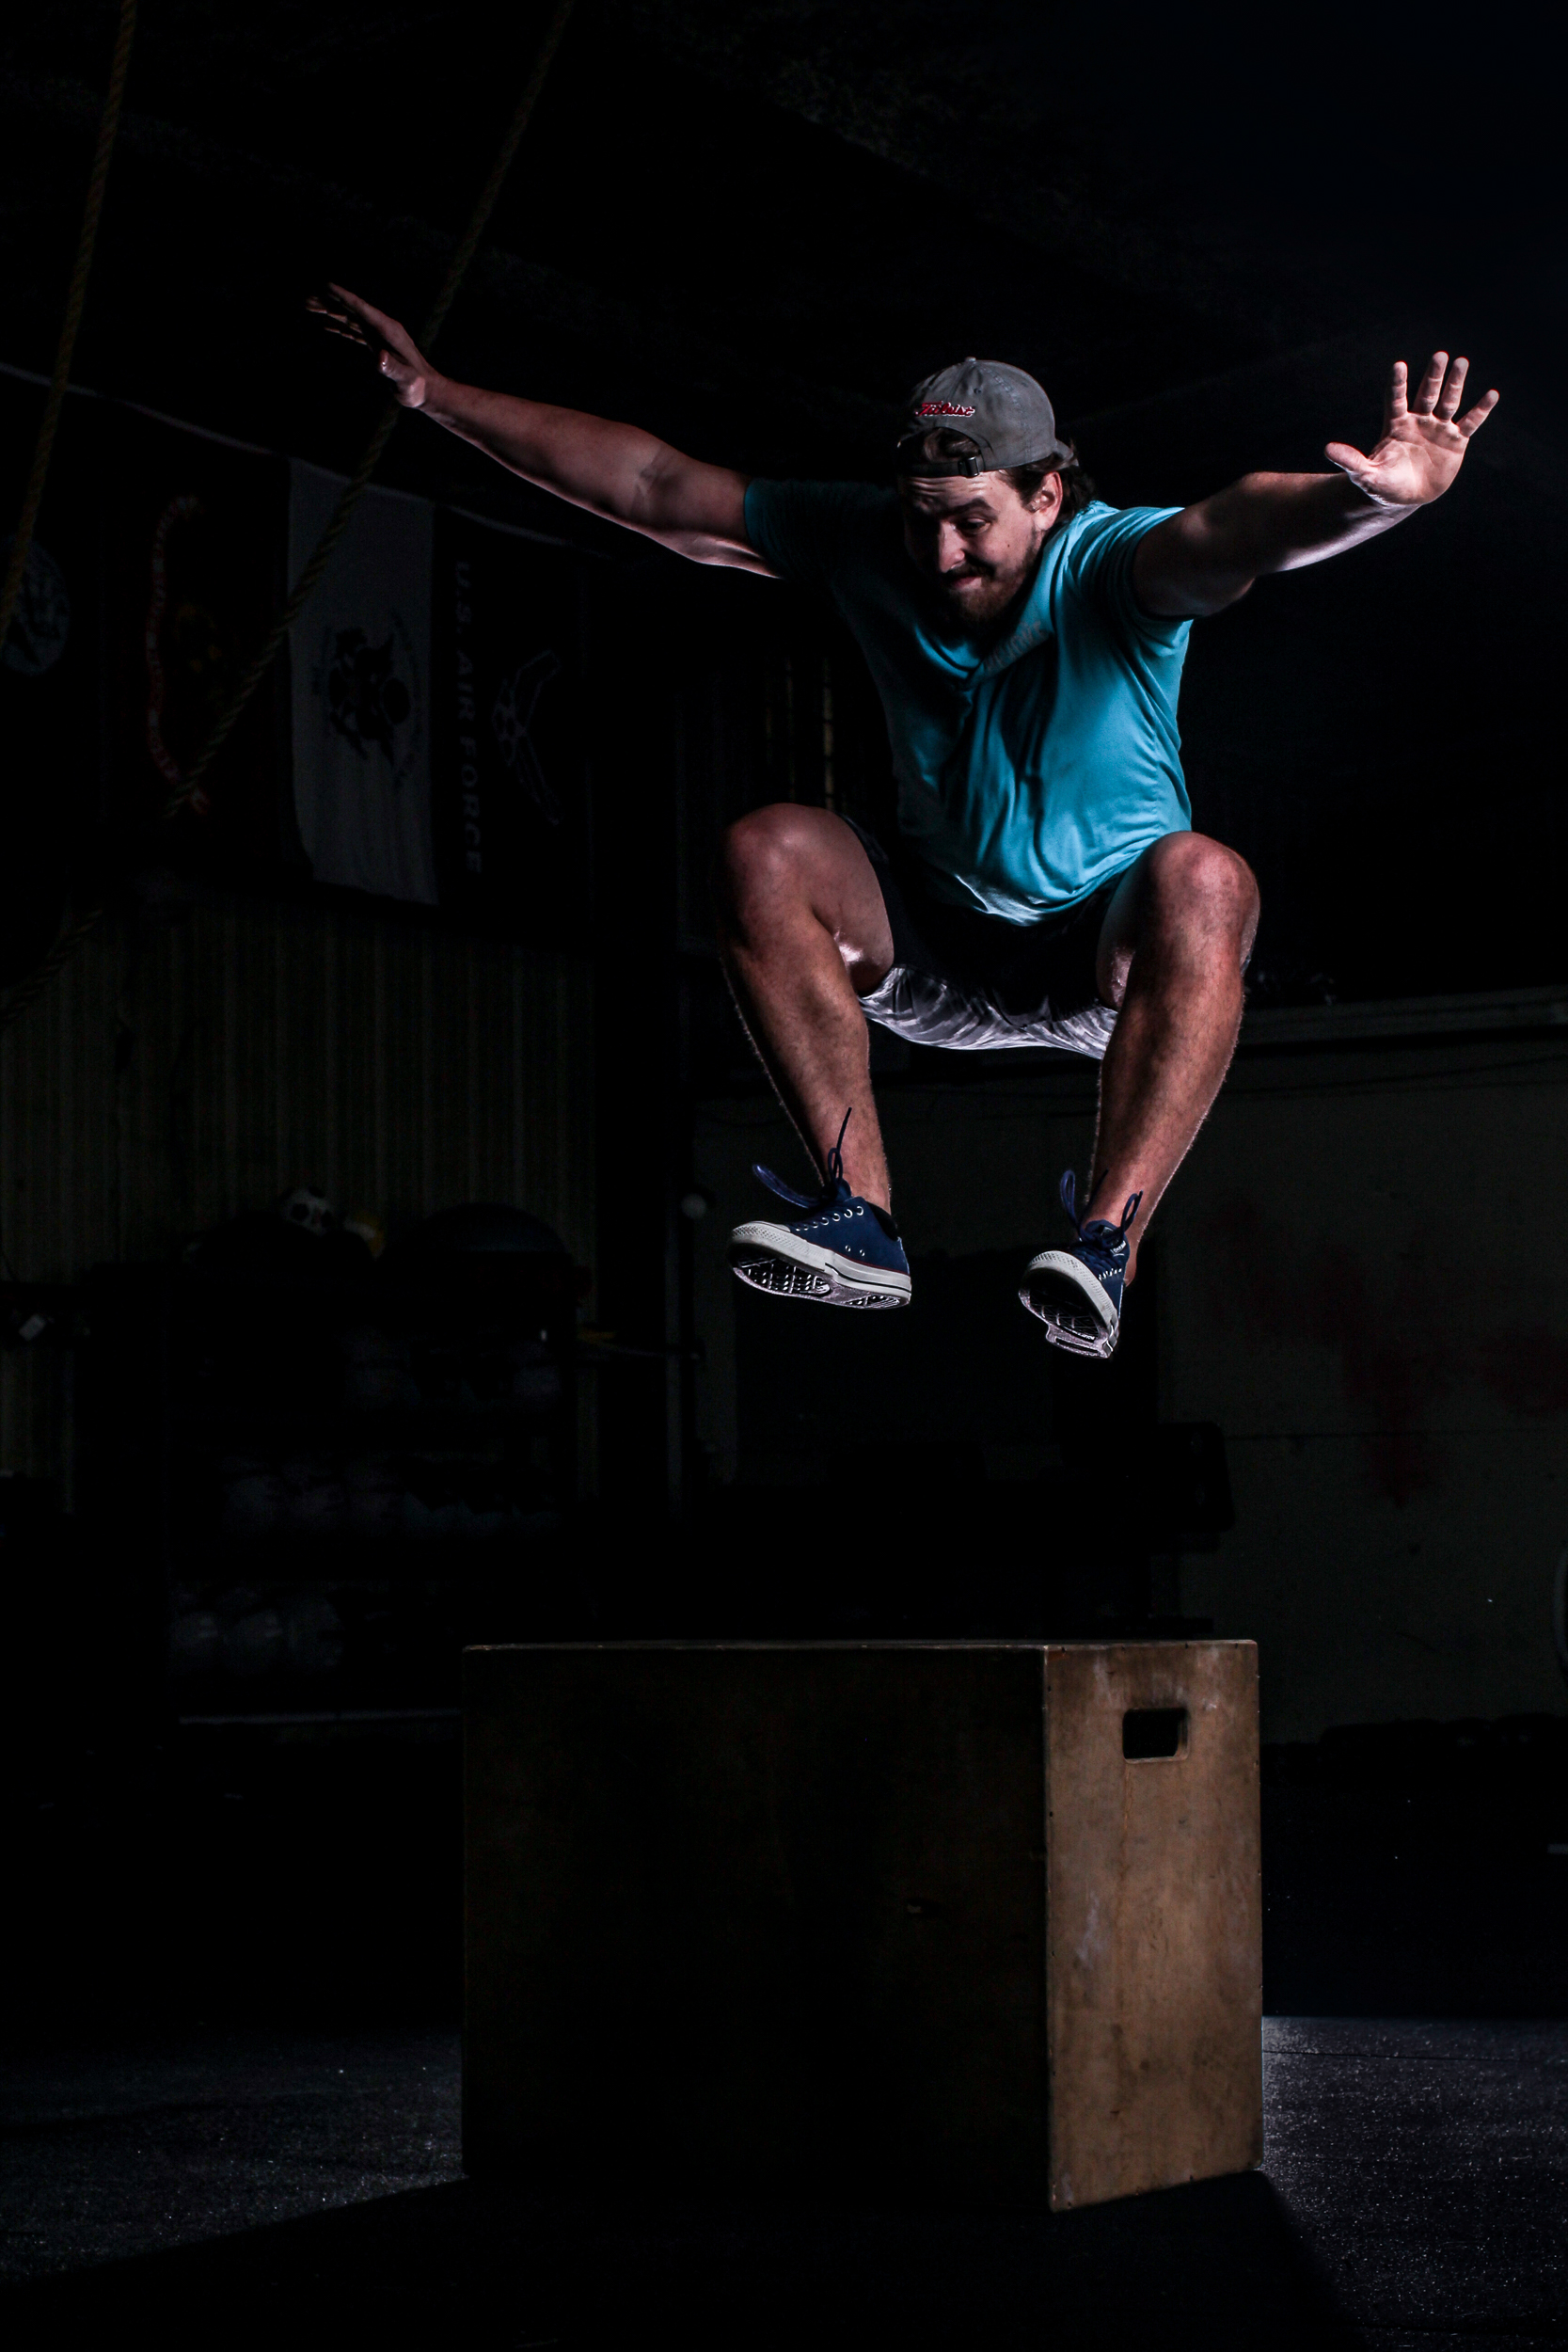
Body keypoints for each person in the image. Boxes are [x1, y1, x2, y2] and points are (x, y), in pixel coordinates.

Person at [311, 288, 1497, 1356]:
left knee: (1206, 877)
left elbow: (1236, 528)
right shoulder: (867, 542)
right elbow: (654, 485)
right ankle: (860, 1220)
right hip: (930, 942)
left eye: (970, 519)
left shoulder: (1116, 566)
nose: (940, 550)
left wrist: (1367, 499)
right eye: (921, 515)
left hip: (1099, 956)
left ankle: (1102, 1248)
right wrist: (437, 397)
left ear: (1045, 493)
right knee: (763, 847)